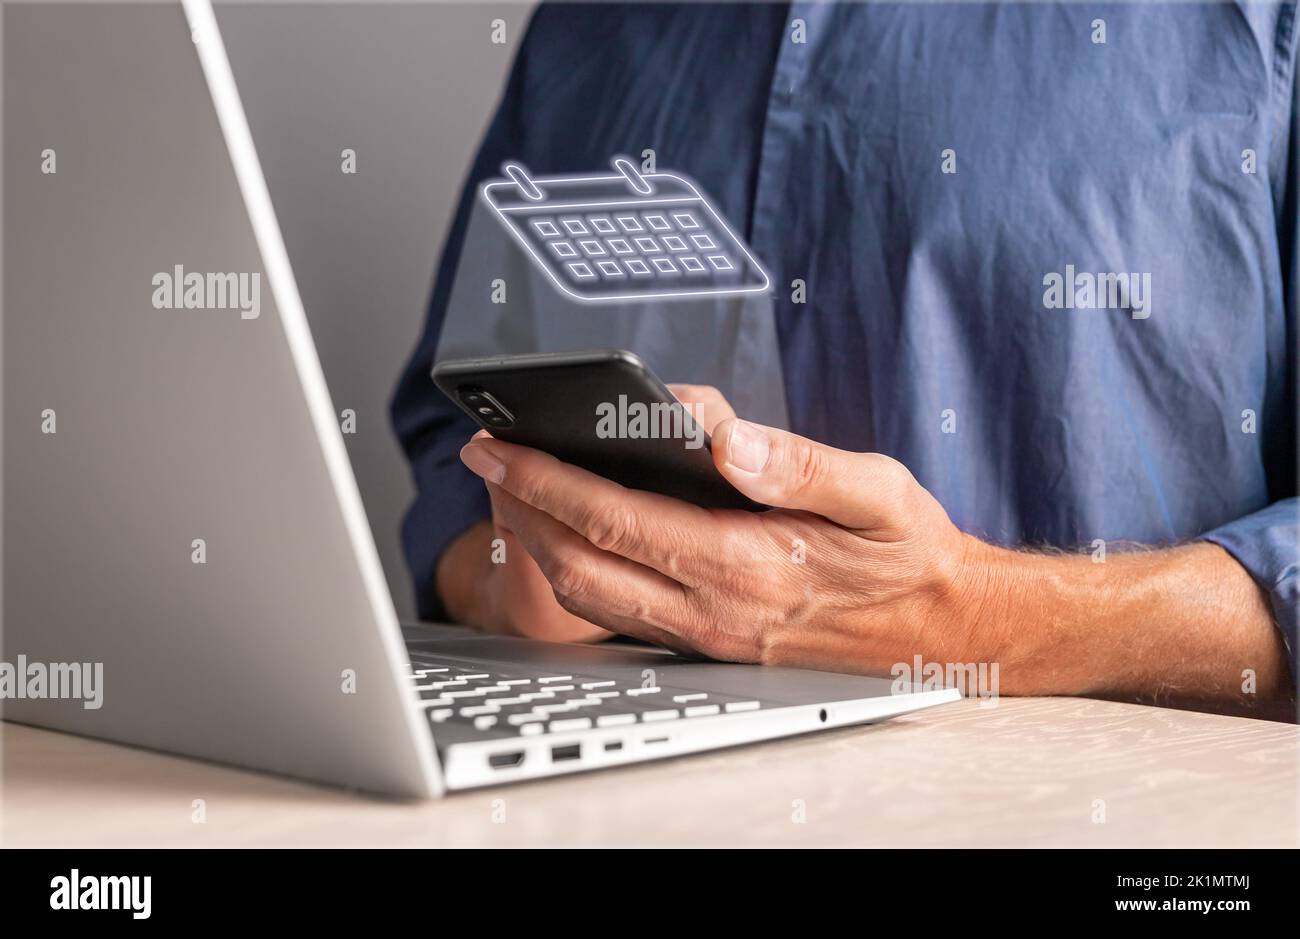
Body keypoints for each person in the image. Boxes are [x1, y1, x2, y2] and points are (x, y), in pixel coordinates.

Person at [391, 2, 1298, 717]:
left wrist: (980, 617)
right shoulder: (586, 26)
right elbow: (451, 434)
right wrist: (510, 585)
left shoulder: (1255, 25)